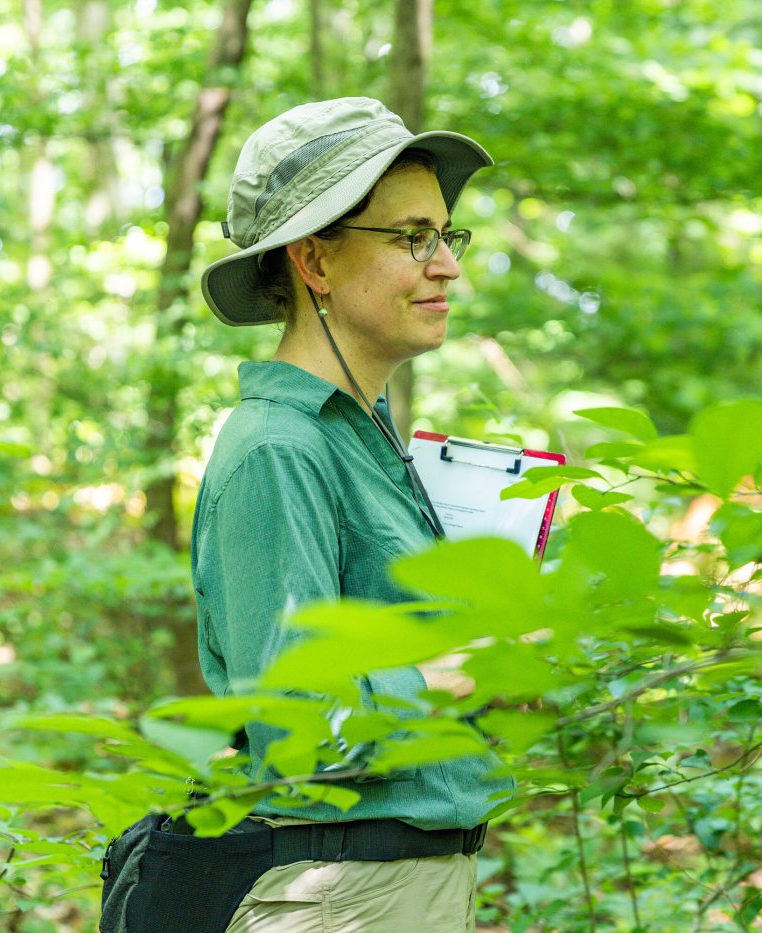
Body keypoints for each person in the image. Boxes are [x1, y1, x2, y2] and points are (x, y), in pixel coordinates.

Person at [190, 97, 511, 932]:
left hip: (397, 888)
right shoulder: (277, 450)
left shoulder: (363, 438)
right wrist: (461, 670)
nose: (447, 266)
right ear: (315, 264)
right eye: (412, 237)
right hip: (342, 897)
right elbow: (300, 731)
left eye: (448, 235)